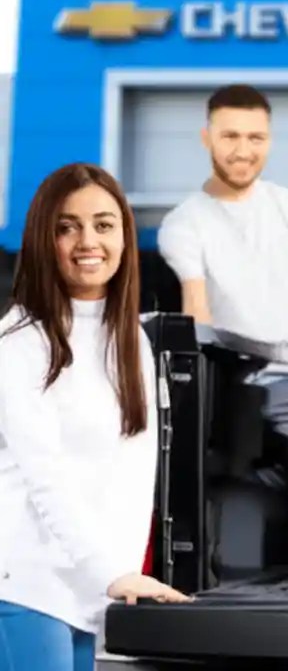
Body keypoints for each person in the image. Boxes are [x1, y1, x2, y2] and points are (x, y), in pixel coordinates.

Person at [0, 163, 189, 671]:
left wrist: (118, 574)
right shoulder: (20, 342)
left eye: (103, 225)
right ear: (44, 240)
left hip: (86, 592)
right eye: (68, 227)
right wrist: (110, 573)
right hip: (24, 587)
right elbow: (46, 477)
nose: (88, 241)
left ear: (124, 236)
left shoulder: (131, 340)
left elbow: (130, 473)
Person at [156, 84, 288, 442]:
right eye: (230, 137)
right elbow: (198, 316)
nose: (243, 151)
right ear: (206, 139)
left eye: (255, 138)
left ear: (269, 141)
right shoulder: (183, 222)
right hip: (233, 384)